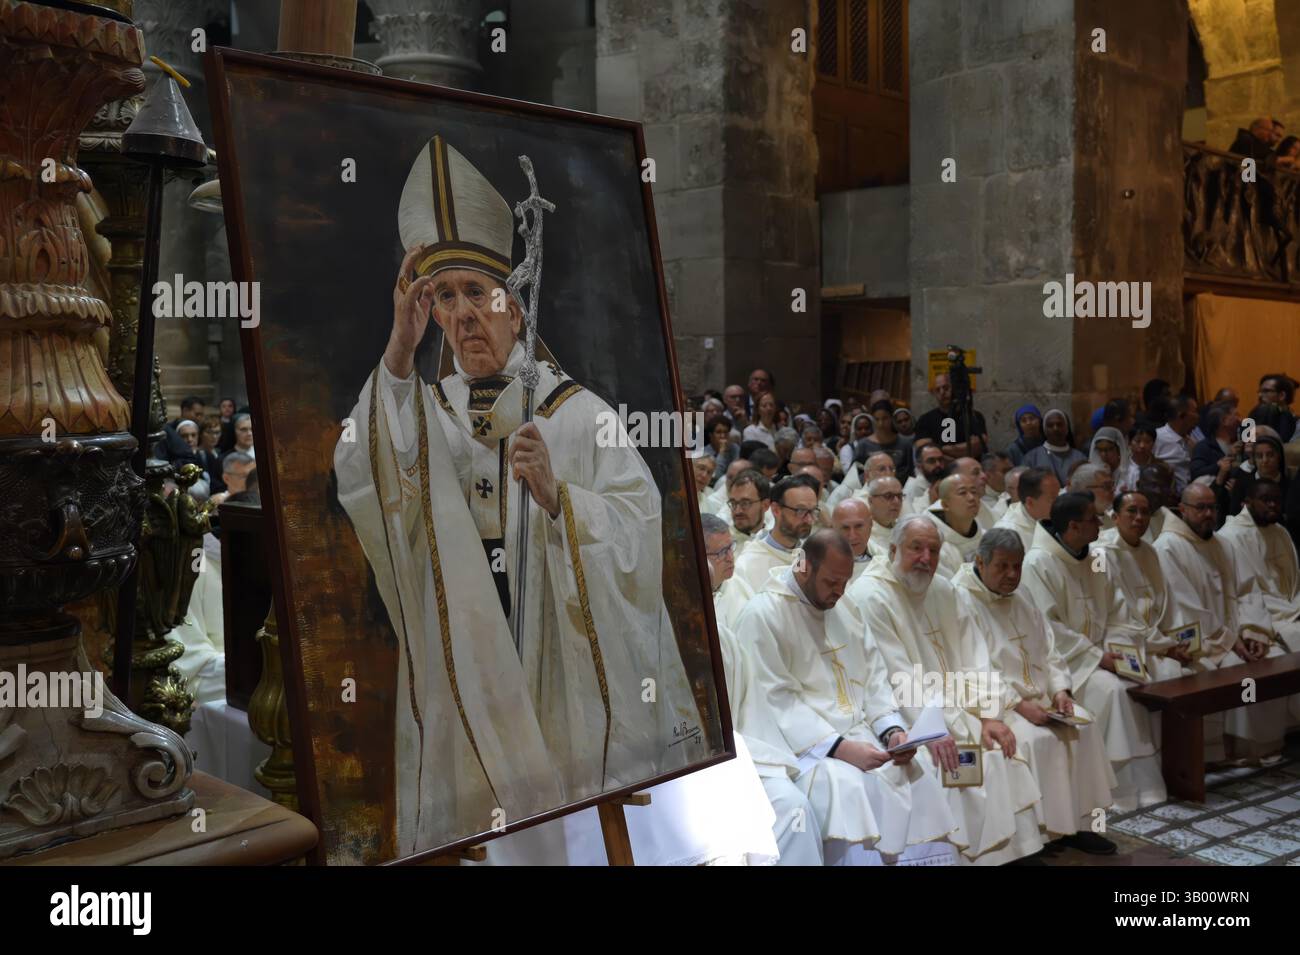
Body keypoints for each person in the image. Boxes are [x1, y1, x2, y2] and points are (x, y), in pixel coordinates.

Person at [333, 135, 701, 853]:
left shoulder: (576, 413)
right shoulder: (422, 407)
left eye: (478, 291)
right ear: (430, 312)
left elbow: (638, 527)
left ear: (515, 303)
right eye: (445, 296)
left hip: (557, 659)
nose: (464, 313)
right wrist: (398, 355)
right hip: (471, 653)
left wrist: (563, 501)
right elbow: (362, 472)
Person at [737, 530, 959, 865]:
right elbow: (775, 699)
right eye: (830, 582)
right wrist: (841, 748)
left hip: (861, 735)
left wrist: (892, 731)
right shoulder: (763, 615)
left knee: (919, 770)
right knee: (847, 786)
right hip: (807, 750)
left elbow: (874, 679)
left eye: (845, 582)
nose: (839, 593)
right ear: (803, 568)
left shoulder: (847, 607)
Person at [845, 516, 1045, 865]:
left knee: (998, 746)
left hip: (955, 707)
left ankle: (1009, 853)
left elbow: (974, 655)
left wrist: (988, 714)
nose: (925, 558)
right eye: (916, 548)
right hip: (906, 715)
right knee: (939, 762)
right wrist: (935, 726)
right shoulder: (871, 596)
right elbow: (896, 674)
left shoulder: (944, 590)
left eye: (933, 550)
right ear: (893, 550)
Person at [953, 530, 1117, 853]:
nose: (1012, 575)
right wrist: (1018, 705)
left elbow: (1051, 649)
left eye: (1017, 566)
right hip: (999, 706)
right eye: (1002, 566)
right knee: (1031, 741)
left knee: (1085, 726)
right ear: (980, 562)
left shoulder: (1023, 594)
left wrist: (1060, 691)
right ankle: (1037, 838)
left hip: (1043, 699)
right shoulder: (962, 599)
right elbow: (973, 664)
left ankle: (1079, 826)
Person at [1019, 492, 1165, 810]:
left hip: (1104, 655)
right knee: (1114, 692)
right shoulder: (1038, 562)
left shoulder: (1096, 557)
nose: (1101, 522)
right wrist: (1097, 657)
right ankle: (1115, 791)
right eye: (1093, 518)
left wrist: (1117, 652)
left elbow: (1117, 611)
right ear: (1073, 526)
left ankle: (1147, 783)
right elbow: (1047, 627)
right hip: (1066, 665)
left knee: (1141, 684)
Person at [702, 513, 821, 864]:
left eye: (730, 548)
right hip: (695, 761)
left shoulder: (734, 590)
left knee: (793, 804)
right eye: (718, 553)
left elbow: (748, 694)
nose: (729, 559)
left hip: (740, 739)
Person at [1154, 484, 1293, 762]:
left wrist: (1253, 631)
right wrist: (1232, 642)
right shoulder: (1167, 548)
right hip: (1201, 643)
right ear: (1183, 509)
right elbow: (1188, 609)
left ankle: (1262, 745)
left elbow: (1247, 591)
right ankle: (1225, 751)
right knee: (1238, 671)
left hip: (1235, 639)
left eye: (1212, 508)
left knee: (1272, 660)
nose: (1208, 514)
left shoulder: (1222, 544)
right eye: (1200, 508)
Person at [1095, 491, 1193, 681]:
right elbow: (1105, 608)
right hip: (1124, 640)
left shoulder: (1150, 551)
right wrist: (1164, 645)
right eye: (1132, 511)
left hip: (1155, 640)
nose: (1139, 518)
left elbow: (1165, 602)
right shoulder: (1098, 553)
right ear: (1115, 517)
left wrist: (1174, 640)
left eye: (1145, 512)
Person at [1217, 480, 1300, 653]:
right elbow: (1242, 592)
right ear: (1248, 502)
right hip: (1263, 613)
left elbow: (1295, 582)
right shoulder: (1231, 536)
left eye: (1277, 500)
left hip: (1292, 606)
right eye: (1265, 499)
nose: (1272, 505)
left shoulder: (1280, 531)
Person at [731, 474, 820, 595]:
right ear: (776, 510)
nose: (809, 520)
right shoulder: (747, 564)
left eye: (813, 511)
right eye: (801, 511)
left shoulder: (812, 556)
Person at [914, 373, 988, 461]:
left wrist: (939, 448)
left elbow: (979, 446)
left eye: (946, 388)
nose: (942, 392)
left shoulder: (973, 416)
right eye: (937, 390)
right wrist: (960, 453)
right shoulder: (925, 420)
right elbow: (923, 450)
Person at [924, 473, 984, 578]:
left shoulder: (985, 537)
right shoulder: (935, 547)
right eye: (962, 493)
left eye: (974, 492)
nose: (971, 498)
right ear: (945, 505)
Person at [994, 467, 1059, 552]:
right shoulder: (1006, 533)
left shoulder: (1057, 516)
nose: (1059, 502)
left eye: (1059, 495)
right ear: (1030, 502)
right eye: (1053, 499)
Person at [855, 399, 914, 482]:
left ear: (891, 418)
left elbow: (910, 473)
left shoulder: (905, 444)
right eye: (877, 419)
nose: (881, 424)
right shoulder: (863, 445)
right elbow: (856, 474)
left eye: (885, 418)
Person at [1021, 409, 1085, 484]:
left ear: (1067, 428)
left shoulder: (1080, 457)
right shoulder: (1031, 458)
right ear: (1044, 430)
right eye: (1050, 425)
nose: (1055, 428)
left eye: (1059, 424)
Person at [1153, 394, 1199, 493]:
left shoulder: (1192, 440)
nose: (1197, 416)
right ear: (1181, 415)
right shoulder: (1157, 437)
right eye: (1195, 412)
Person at [723, 468, 770, 553]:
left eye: (745, 503)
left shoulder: (774, 544)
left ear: (765, 505)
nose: (737, 511)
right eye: (733, 503)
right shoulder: (719, 541)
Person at [831, 498, 876, 579]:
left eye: (858, 526)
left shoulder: (886, 559)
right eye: (845, 528)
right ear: (833, 529)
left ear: (871, 524)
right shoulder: (818, 564)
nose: (852, 536)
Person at [865, 475, 904, 557]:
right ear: (870, 500)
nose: (896, 501)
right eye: (888, 496)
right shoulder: (863, 534)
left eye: (899, 496)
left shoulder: (905, 529)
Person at [1069, 464, 1116, 531]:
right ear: (1085, 491)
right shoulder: (1078, 527)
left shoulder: (1111, 517)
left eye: (1112, 484)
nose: (1113, 489)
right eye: (1107, 486)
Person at [902, 442, 946, 511]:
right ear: (919, 465)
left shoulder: (945, 481)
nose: (938, 464)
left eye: (940, 460)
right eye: (931, 461)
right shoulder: (913, 488)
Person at [1088, 426, 1130, 491]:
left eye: (1109, 449)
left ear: (1119, 450)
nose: (1104, 455)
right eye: (1100, 450)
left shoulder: (1130, 472)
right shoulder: (1094, 474)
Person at [705, 413, 737, 485]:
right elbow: (716, 476)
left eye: (726, 432)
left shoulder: (735, 448)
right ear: (711, 435)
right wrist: (722, 453)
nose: (723, 436)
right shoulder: (704, 453)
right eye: (718, 432)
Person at [1125, 423, 1157, 491]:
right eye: (1138, 441)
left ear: (1154, 443)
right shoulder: (1121, 465)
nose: (1142, 446)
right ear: (1129, 442)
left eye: (1147, 441)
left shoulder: (1162, 467)